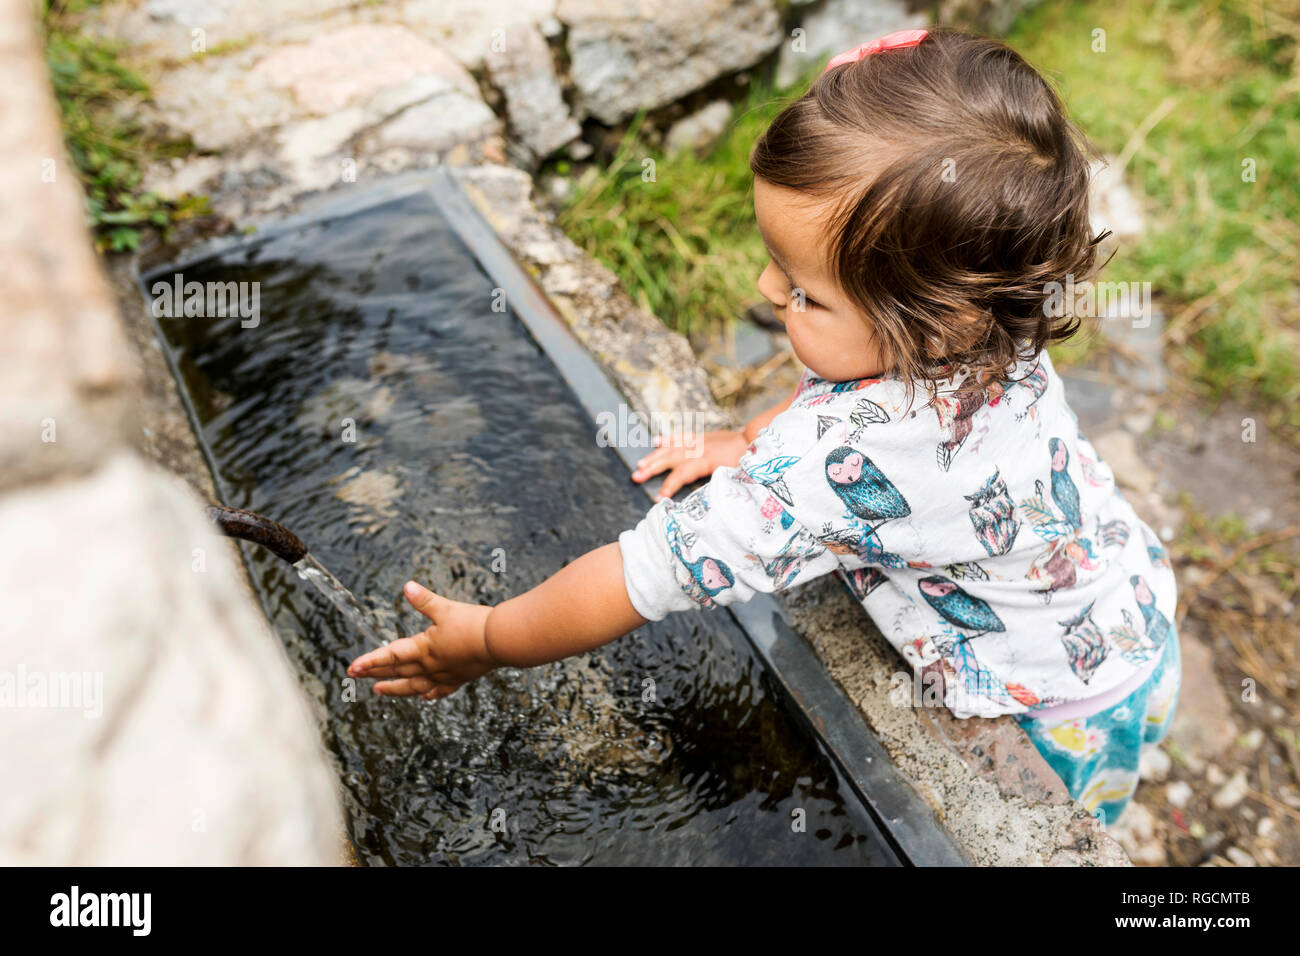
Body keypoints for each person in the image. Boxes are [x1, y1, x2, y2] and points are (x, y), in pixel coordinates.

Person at [347, 28, 1180, 826]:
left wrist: (489, 639)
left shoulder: (839, 461)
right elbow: (833, 392)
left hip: (1060, 710)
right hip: (1128, 600)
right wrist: (748, 441)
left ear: (934, 325)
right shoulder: (999, 317)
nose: (763, 284)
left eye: (804, 292)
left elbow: (641, 575)